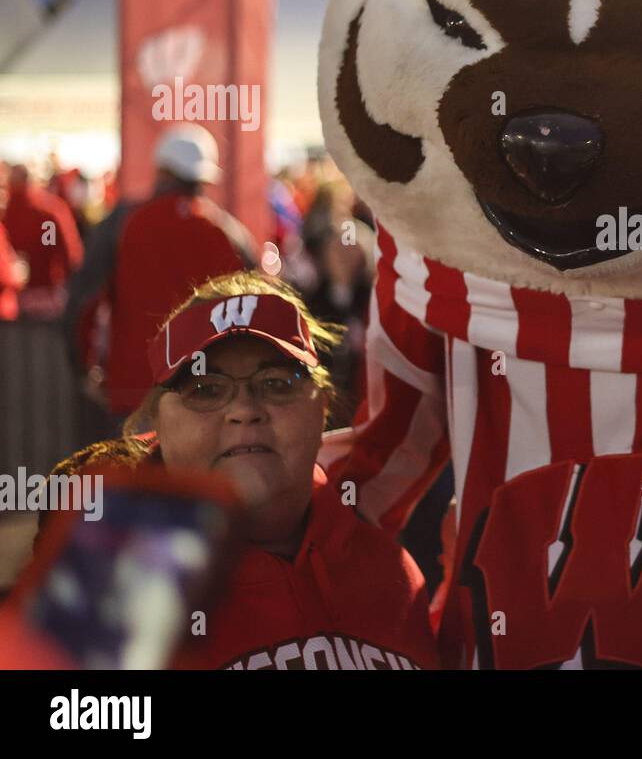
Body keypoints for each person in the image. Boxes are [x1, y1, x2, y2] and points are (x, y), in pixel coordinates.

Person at [44, 271, 439, 670]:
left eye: (277, 384)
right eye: (206, 389)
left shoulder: (393, 573)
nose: (245, 410)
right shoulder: (100, 595)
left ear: (322, 408)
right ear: (157, 423)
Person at [63, 123, 257, 424]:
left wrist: (84, 368)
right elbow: (260, 307)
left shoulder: (123, 222)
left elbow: (82, 302)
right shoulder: (228, 231)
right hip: (210, 394)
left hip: (135, 391)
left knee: (137, 471)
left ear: (162, 170)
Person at [1, 163, 83, 317]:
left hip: (19, 296)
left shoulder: (12, 209)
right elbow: (69, 254)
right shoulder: (48, 209)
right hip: (42, 294)